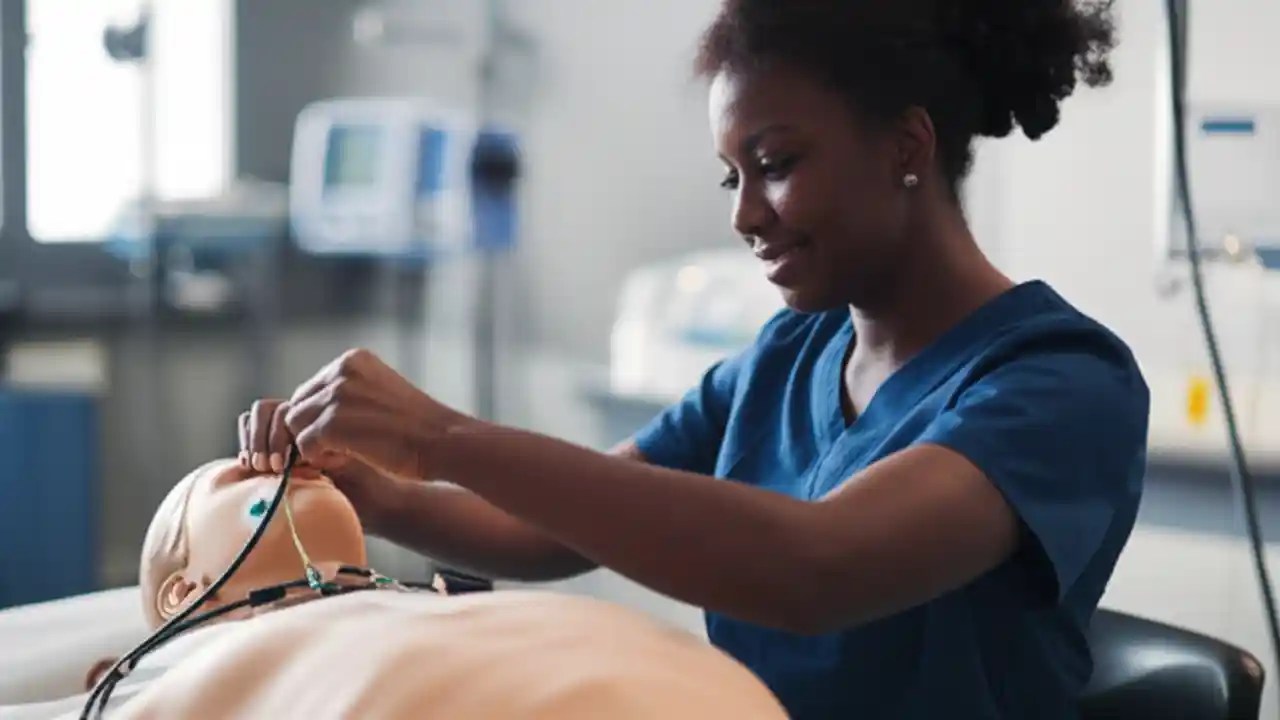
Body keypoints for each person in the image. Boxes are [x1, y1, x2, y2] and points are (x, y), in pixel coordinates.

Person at [239, 1, 1149, 717]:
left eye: (777, 162)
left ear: (906, 146)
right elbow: (556, 527)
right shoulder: (790, 356)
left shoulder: (1059, 384)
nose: (744, 215)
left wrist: (438, 436)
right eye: (732, 176)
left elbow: (815, 570)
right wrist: (375, 494)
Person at [0, 459, 787, 719]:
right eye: (239, 481)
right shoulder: (192, 670)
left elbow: (587, 510)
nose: (281, 464)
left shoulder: (433, 601)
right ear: (183, 597)